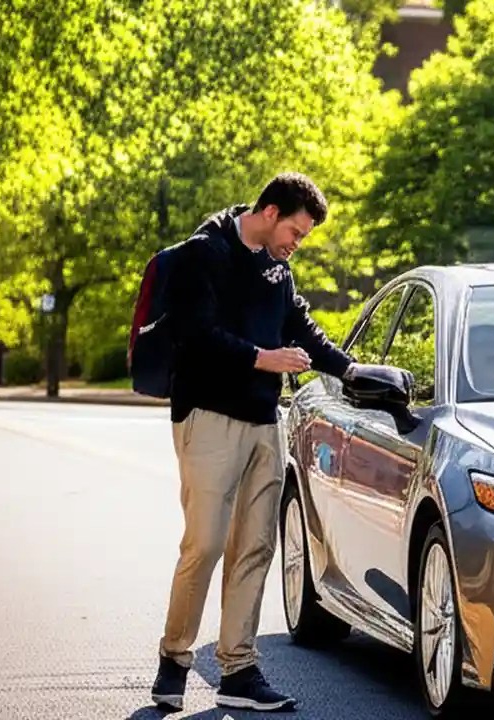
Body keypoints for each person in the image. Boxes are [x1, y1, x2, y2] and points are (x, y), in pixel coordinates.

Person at [150, 172, 368, 713]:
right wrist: (260, 358)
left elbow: (303, 328)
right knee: (204, 543)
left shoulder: (277, 269)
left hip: (263, 420)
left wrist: (352, 370)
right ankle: (174, 660)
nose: (298, 242)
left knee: (255, 546)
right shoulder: (206, 253)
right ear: (270, 212)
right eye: (296, 230)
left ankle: (239, 669)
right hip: (208, 416)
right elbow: (193, 332)